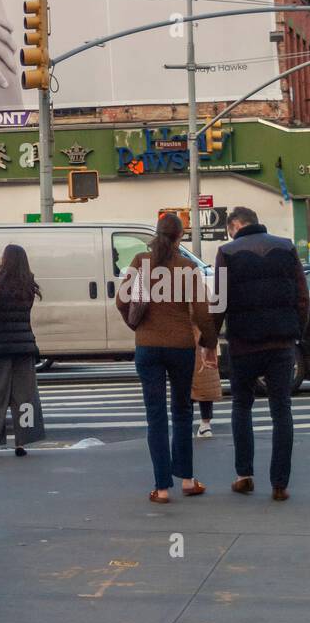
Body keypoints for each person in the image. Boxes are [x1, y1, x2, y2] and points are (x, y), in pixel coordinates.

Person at [119, 213, 218, 502]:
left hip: (147, 348)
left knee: (156, 416)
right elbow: (201, 312)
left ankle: (162, 488)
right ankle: (187, 480)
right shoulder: (188, 267)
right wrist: (209, 343)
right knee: (183, 411)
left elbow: (121, 301)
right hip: (180, 347)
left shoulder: (140, 261)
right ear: (180, 237)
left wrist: (136, 326)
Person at [214, 207, 309, 501]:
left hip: (244, 344)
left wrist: (209, 339)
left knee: (242, 407)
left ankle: (244, 475)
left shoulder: (227, 252)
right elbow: (302, 297)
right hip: (281, 344)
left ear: (236, 225)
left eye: (230, 229)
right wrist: (296, 330)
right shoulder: (286, 247)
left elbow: (219, 301)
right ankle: (280, 484)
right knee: (281, 410)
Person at [0, 244, 45, 456]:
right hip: (24, 347)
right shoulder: (28, 286)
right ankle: (22, 443)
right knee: (24, 396)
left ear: (4, 260)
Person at [192, 323, 222, 439]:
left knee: (185, 382)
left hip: (184, 335)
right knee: (207, 378)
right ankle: (205, 424)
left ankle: (186, 424)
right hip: (204, 334)